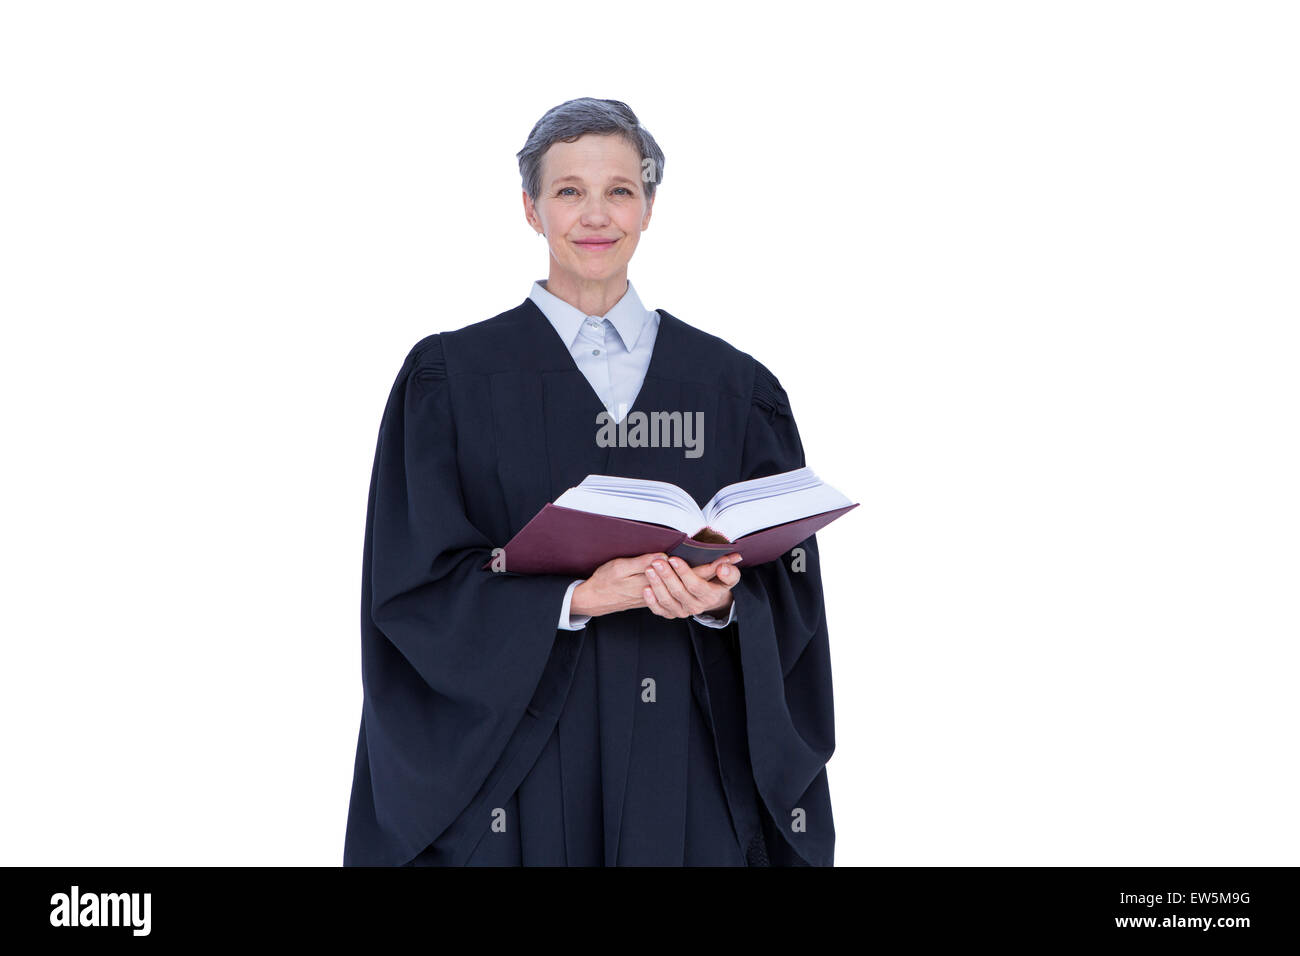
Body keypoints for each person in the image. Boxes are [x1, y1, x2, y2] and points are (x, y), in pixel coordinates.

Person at [343, 98, 836, 866]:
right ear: (531, 210)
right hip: (517, 781)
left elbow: (792, 596)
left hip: (688, 766)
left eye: (620, 190)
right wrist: (575, 599)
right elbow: (412, 590)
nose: (595, 214)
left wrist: (722, 604)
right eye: (568, 190)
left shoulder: (736, 388)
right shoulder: (450, 380)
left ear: (648, 207)